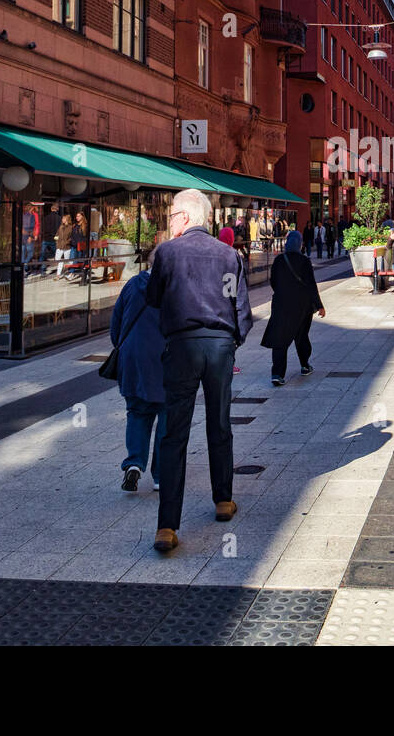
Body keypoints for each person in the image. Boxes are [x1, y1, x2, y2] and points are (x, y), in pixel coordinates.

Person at [145, 189, 253, 554]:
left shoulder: (167, 253)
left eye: (173, 215)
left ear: (186, 217)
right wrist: (231, 342)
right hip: (220, 346)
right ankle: (223, 499)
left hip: (182, 345)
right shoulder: (229, 254)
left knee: (174, 433)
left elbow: (154, 298)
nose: (170, 221)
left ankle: (167, 526)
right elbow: (242, 310)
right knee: (219, 423)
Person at [111, 250, 167, 492]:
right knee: (166, 417)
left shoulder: (133, 284)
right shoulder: (173, 289)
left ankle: (134, 463)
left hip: (133, 359)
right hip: (164, 359)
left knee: (137, 412)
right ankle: (160, 476)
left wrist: (123, 348)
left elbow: (116, 323)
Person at [262, 230, 326, 385]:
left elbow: (273, 282)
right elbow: (311, 285)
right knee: (301, 337)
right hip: (302, 306)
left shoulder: (279, 260)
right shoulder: (304, 261)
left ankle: (277, 374)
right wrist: (319, 306)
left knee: (279, 339)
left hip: (281, 305)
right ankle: (305, 365)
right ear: (299, 243)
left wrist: (282, 293)